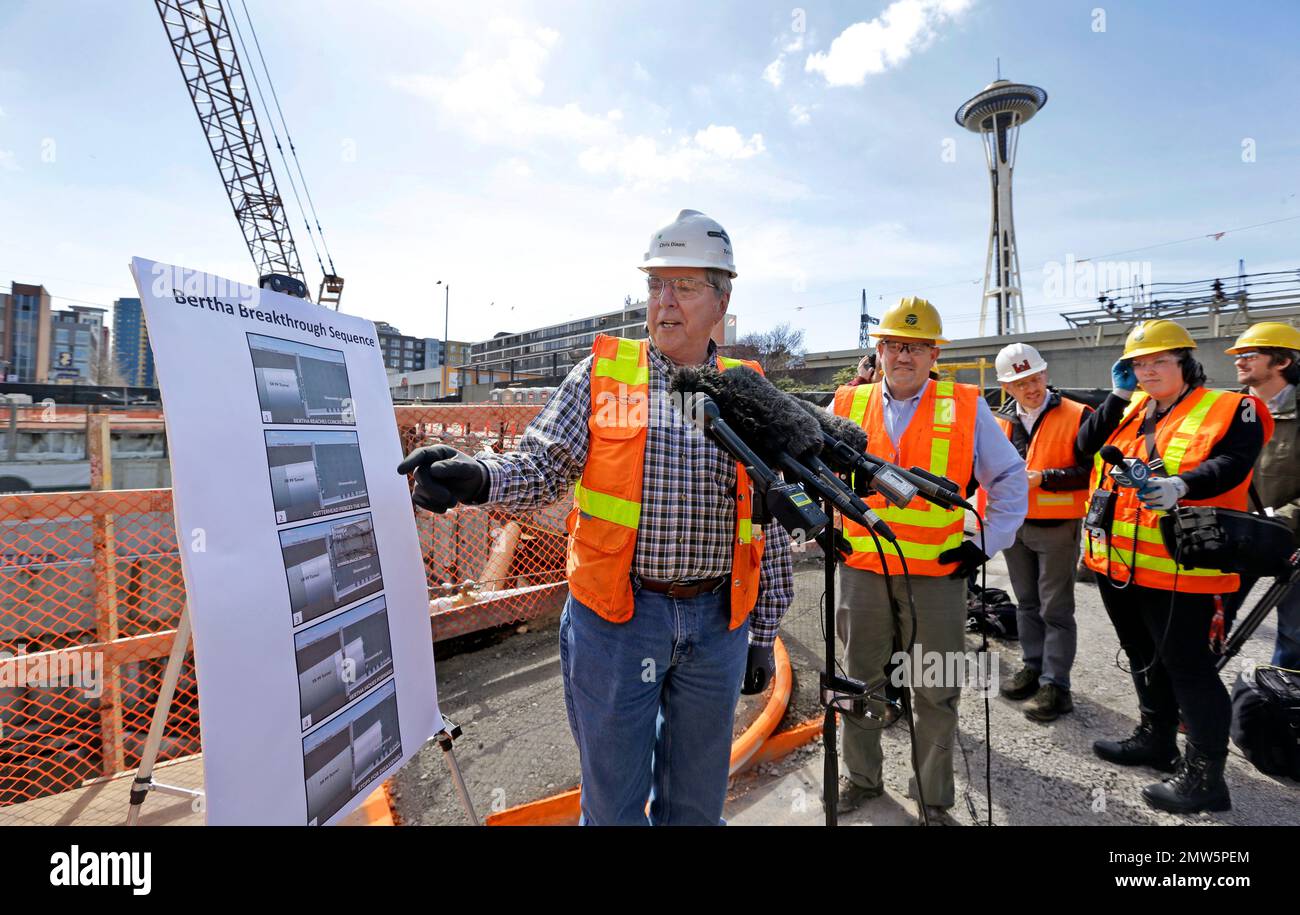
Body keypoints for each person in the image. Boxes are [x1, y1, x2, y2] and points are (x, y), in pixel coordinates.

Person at [397, 209, 794, 826]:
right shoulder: (606, 375)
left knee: (695, 809)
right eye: (656, 285)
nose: (665, 302)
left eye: (685, 286)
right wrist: (476, 476)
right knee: (612, 809)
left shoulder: (747, 392)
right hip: (619, 620)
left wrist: (763, 632)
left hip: (718, 623)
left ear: (722, 300)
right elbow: (542, 462)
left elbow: (767, 525)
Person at [828, 296, 1028, 824]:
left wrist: (986, 543)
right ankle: (862, 780)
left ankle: (933, 800)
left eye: (916, 347)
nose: (904, 356)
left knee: (935, 690)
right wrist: (826, 529)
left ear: (934, 352)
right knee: (860, 682)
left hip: (937, 575)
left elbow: (1007, 478)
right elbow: (814, 471)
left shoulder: (965, 406)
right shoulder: (847, 403)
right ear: (881, 349)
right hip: (864, 570)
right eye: (894, 345)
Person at [1077, 319, 1271, 813]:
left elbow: (1232, 462)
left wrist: (1182, 485)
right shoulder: (1135, 406)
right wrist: (1115, 398)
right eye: (1139, 363)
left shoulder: (1233, 406)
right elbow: (1083, 450)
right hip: (1124, 562)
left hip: (1185, 566)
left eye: (1159, 361)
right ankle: (1155, 738)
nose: (1148, 371)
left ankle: (1205, 778)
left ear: (1185, 362)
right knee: (1143, 655)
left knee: (1190, 668)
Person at [991, 343, 1093, 722]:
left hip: (1057, 527)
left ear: (1045, 374)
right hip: (1015, 527)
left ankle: (1056, 685)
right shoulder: (1001, 421)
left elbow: (1090, 472)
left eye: (1034, 378)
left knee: (1056, 608)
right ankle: (1033, 666)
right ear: (1006, 385)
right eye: (1019, 383)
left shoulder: (1079, 415)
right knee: (1027, 604)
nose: (1030, 388)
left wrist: (1045, 479)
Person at [1222, 321, 1300, 669]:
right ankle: (1198, 706)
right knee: (1212, 618)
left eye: (1249, 355)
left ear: (1281, 362)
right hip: (1234, 535)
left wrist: (1279, 522)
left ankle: (1281, 706)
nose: (1239, 362)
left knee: (1295, 635)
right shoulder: (1226, 411)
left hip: (1292, 538)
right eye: (1238, 356)